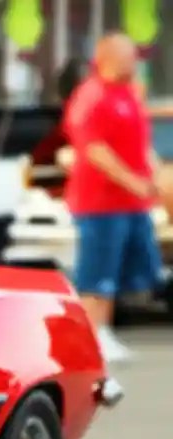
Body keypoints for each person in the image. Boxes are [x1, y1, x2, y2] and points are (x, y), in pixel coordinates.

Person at [63, 33, 164, 363]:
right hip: (100, 203)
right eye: (129, 55)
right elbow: (94, 150)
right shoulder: (91, 96)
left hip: (132, 205)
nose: (135, 61)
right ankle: (92, 335)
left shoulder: (129, 94)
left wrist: (155, 174)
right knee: (98, 270)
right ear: (107, 56)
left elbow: (141, 141)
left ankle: (102, 331)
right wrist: (132, 181)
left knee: (133, 269)